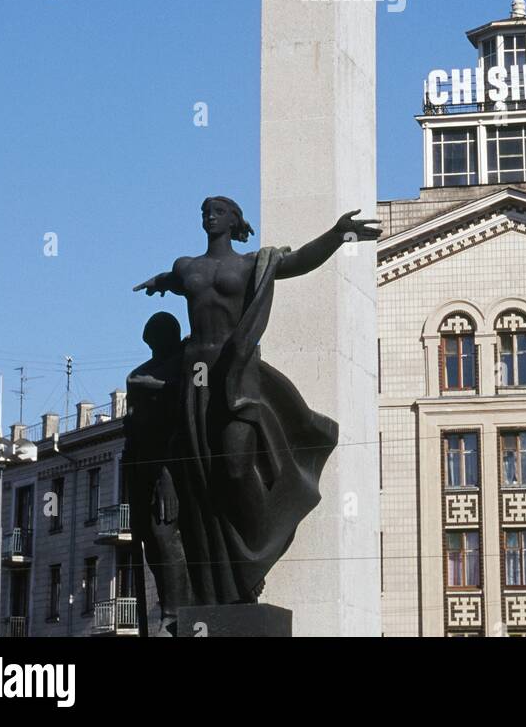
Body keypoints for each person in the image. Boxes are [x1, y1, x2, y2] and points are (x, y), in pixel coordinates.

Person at [133, 196, 381, 606]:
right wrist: (159, 281)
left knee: (234, 463)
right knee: (203, 474)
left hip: (236, 370)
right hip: (197, 375)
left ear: (234, 220)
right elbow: (175, 282)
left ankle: (252, 554)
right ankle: (224, 571)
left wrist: (338, 235)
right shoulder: (186, 266)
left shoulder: (252, 264)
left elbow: (299, 260)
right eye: (204, 211)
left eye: (218, 210)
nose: (209, 215)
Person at [123, 313, 191, 634]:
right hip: (144, 468)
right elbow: (133, 428)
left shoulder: (186, 362)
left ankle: (176, 611)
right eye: (149, 346)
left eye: (156, 343)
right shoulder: (142, 373)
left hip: (177, 467)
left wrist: (167, 476)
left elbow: (189, 404)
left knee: (166, 535)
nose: (152, 351)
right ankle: (169, 605)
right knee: (152, 541)